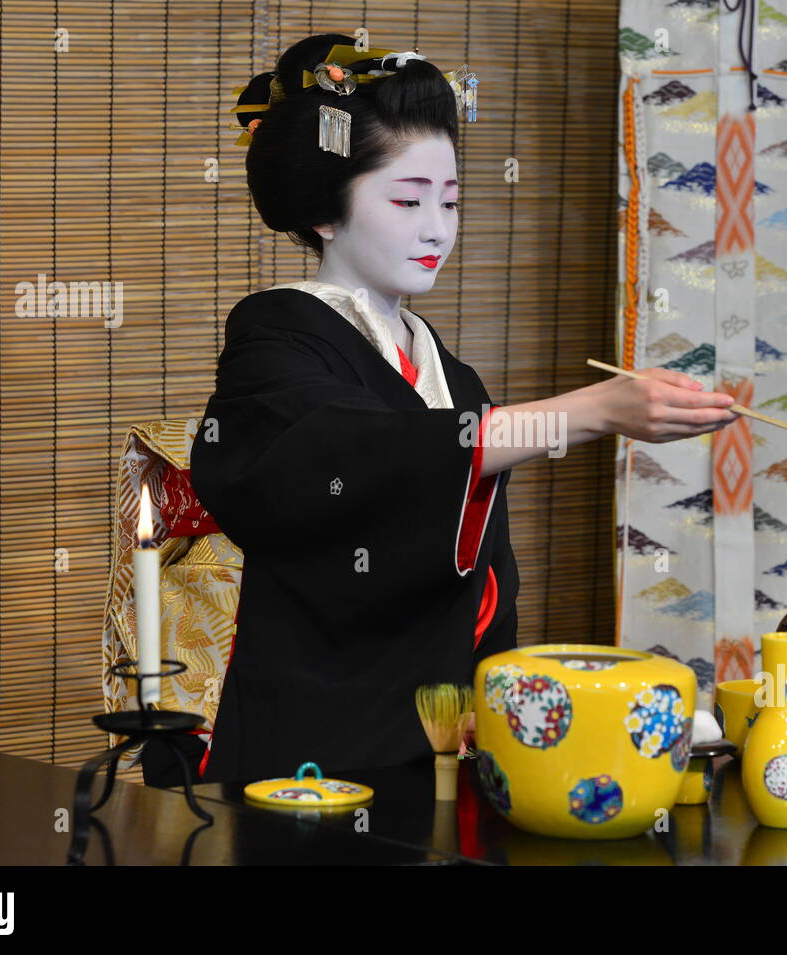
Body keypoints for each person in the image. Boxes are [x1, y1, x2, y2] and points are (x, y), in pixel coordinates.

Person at [185, 33, 739, 784]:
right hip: (317, 733)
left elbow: (486, 571)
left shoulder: (451, 375)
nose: (438, 227)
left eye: (450, 200)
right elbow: (347, 455)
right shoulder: (276, 335)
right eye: (408, 199)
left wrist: (495, 696)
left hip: (441, 735)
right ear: (324, 210)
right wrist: (591, 412)